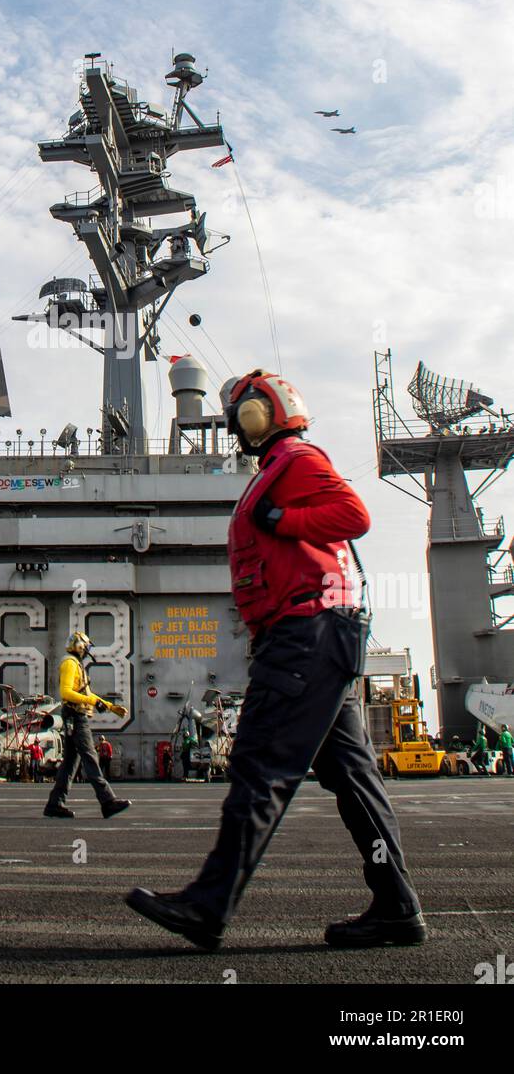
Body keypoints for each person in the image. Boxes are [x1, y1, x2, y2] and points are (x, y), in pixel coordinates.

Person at [126, 368, 425, 951]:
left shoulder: (296, 459)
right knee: (352, 777)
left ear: (262, 412)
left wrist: (284, 521)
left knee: (261, 765)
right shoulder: (277, 467)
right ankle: (397, 905)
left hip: (306, 632)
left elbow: (354, 515)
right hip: (319, 634)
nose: (238, 423)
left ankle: (208, 906)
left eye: (242, 410)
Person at [43, 630, 131, 820]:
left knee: (69, 764)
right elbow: (66, 693)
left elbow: (88, 695)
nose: (87, 651)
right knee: (90, 758)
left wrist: (110, 706)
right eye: (86, 647)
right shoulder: (70, 663)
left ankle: (55, 804)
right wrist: (95, 703)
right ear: (80, 645)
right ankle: (108, 801)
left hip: (74, 716)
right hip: (76, 716)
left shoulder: (76, 664)